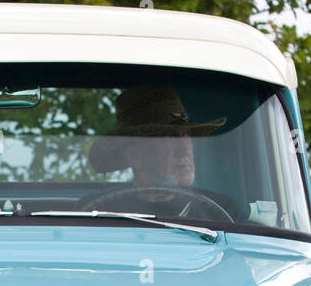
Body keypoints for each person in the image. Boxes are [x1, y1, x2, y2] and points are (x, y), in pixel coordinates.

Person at [85, 86, 227, 218]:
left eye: (187, 134)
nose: (184, 148)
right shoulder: (98, 212)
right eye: (169, 136)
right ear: (134, 154)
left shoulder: (223, 212)